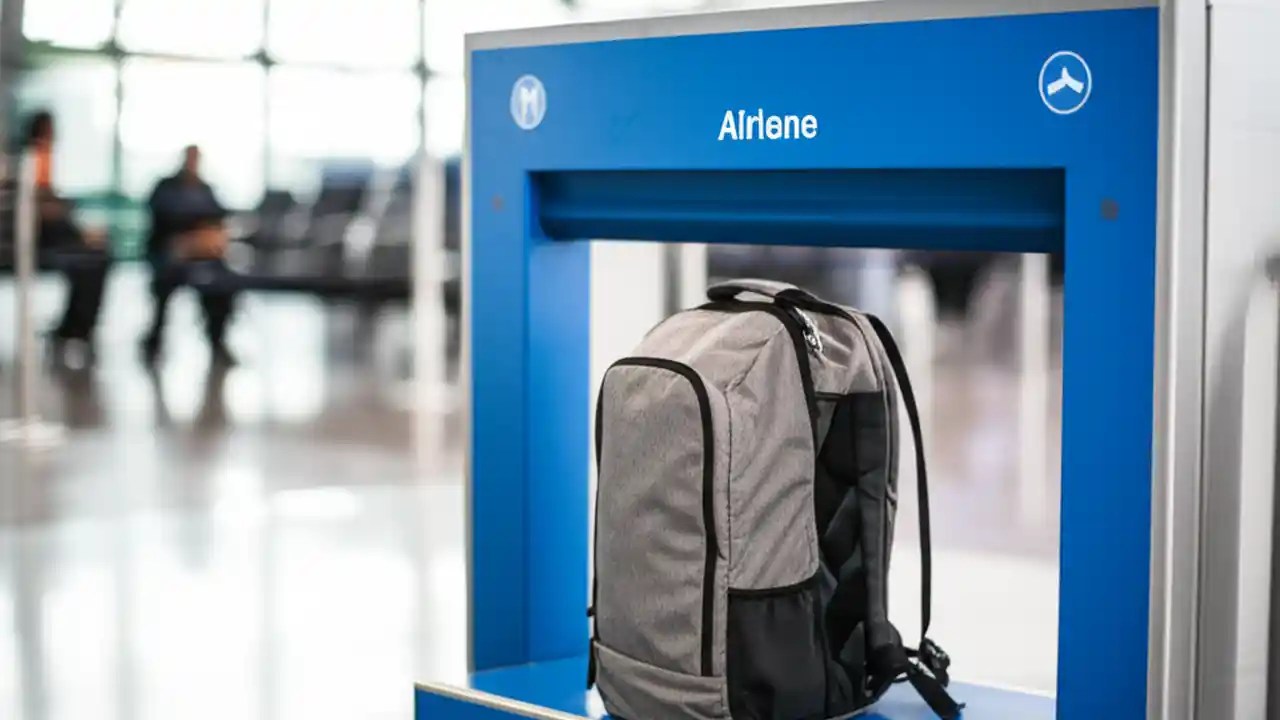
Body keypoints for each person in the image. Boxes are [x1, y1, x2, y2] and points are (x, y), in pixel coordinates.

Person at [24, 111, 111, 352]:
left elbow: (48, 199)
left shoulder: (43, 160)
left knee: (98, 255)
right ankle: (75, 328)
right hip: (38, 235)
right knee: (93, 257)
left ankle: (76, 326)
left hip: (50, 229)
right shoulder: (29, 160)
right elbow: (38, 204)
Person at [141, 145, 237, 366]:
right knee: (165, 282)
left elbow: (219, 219)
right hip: (169, 254)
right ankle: (154, 341)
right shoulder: (165, 187)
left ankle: (218, 339)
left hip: (202, 256)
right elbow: (161, 218)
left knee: (225, 282)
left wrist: (202, 237)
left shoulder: (205, 189)